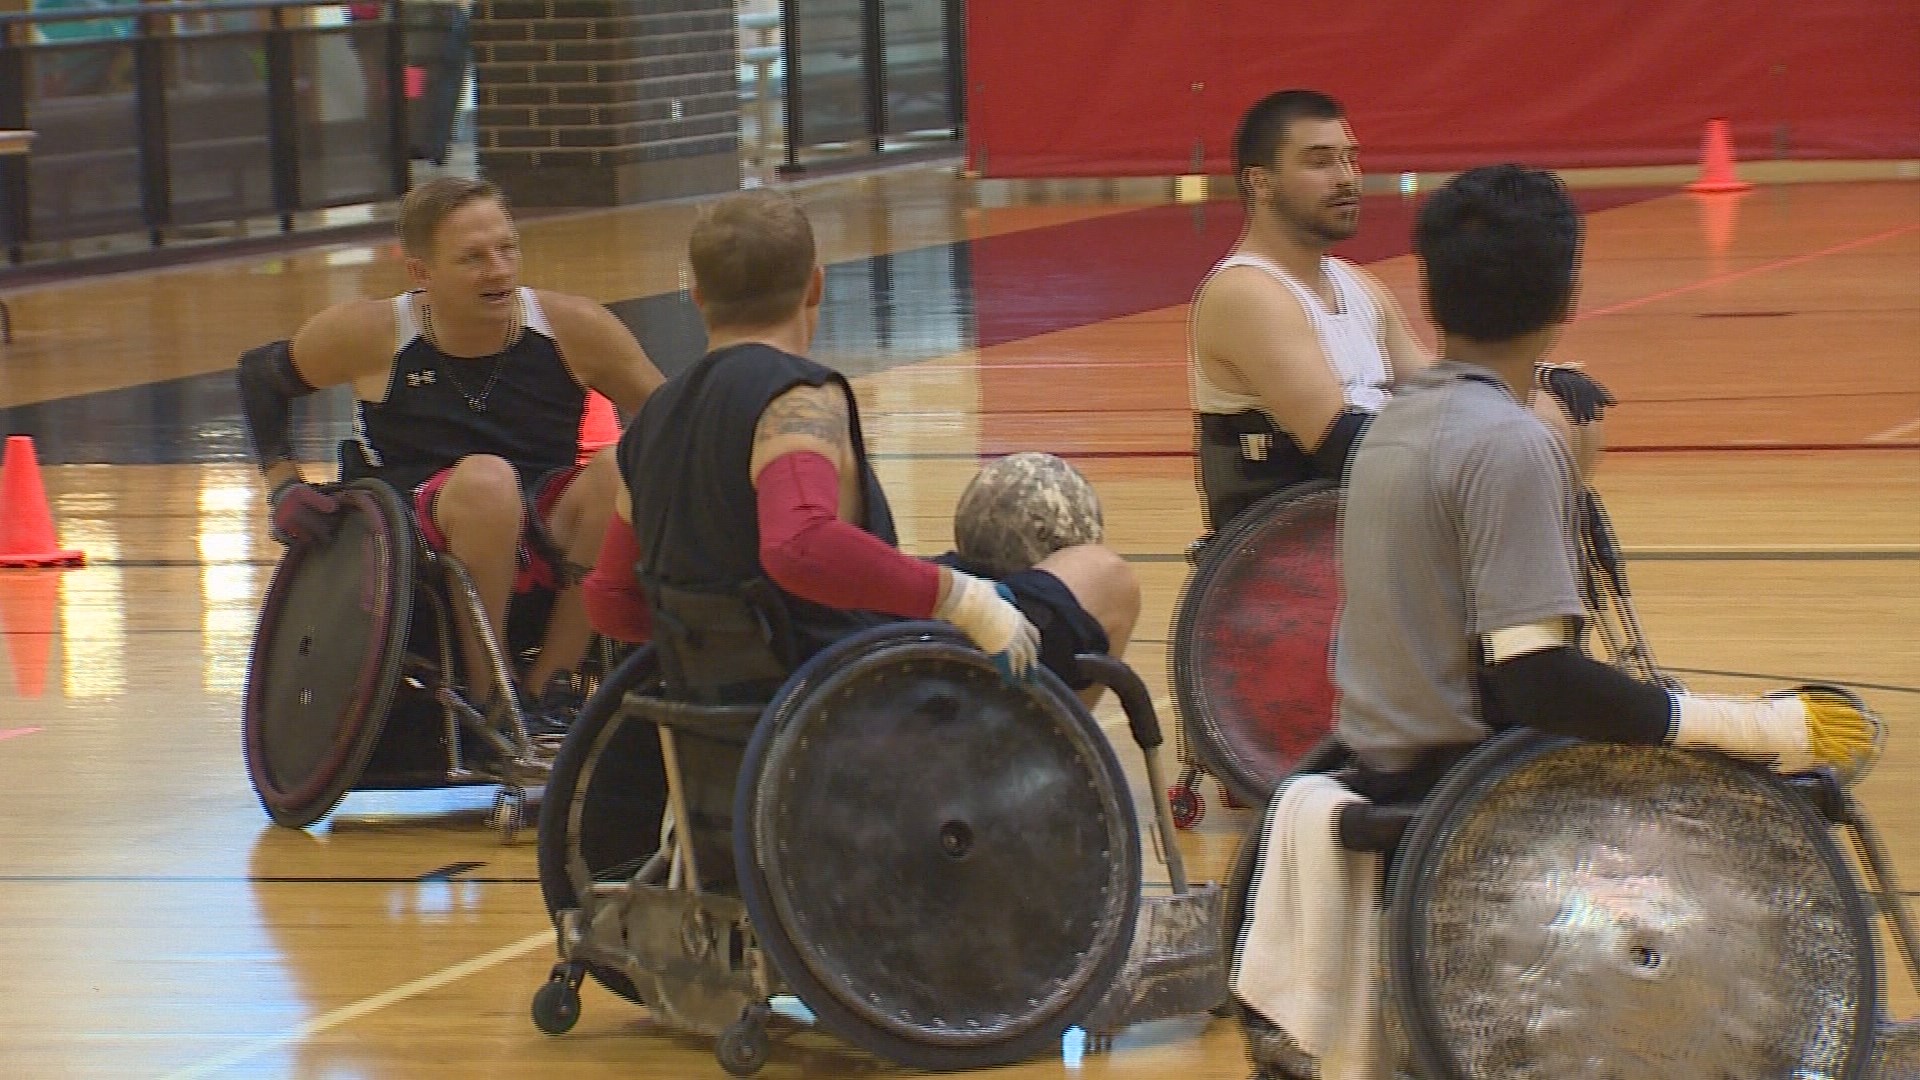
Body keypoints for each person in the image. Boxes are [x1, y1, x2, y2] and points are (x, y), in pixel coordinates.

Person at [1231, 165, 1881, 1080]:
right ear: (1568, 295)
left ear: (1430, 290)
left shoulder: (1391, 429)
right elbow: (1535, 676)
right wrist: (1743, 722)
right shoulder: (1509, 443)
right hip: (1478, 788)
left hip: (1387, 761)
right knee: (1789, 786)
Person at [583, 189, 1139, 704]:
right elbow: (799, 546)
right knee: (1100, 576)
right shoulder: (798, 397)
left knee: (953, 567)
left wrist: (717, 640)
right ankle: (1027, 781)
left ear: (698, 294)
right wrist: (960, 599)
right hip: (853, 691)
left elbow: (612, 599)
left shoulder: (653, 416)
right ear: (816, 285)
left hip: (722, 696)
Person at [237, 175, 664, 735]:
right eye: (473, 258)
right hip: (420, 527)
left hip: (545, 519)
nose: (500, 270)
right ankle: (490, 691)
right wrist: (283, 482)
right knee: (488, 481)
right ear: (422, 272)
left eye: (507, 248)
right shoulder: (371, 332)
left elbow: (672, 416)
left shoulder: (574, 328)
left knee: (619, 466)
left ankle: (551, 686)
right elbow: (258, 376)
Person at [1188, 90, 1612, 535]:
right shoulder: (1245, 292)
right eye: (1320, 161)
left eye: (1350, 159)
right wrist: (1487, 432)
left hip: (1366, 507)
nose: (1347, 178)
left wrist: (1530, 378)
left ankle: (1532, 580)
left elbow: (1439, 383)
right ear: (1260, 182)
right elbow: (1339, 443)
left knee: (1558, 414)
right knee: (1522, 433)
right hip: (1292, 539)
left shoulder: (1357, 284)